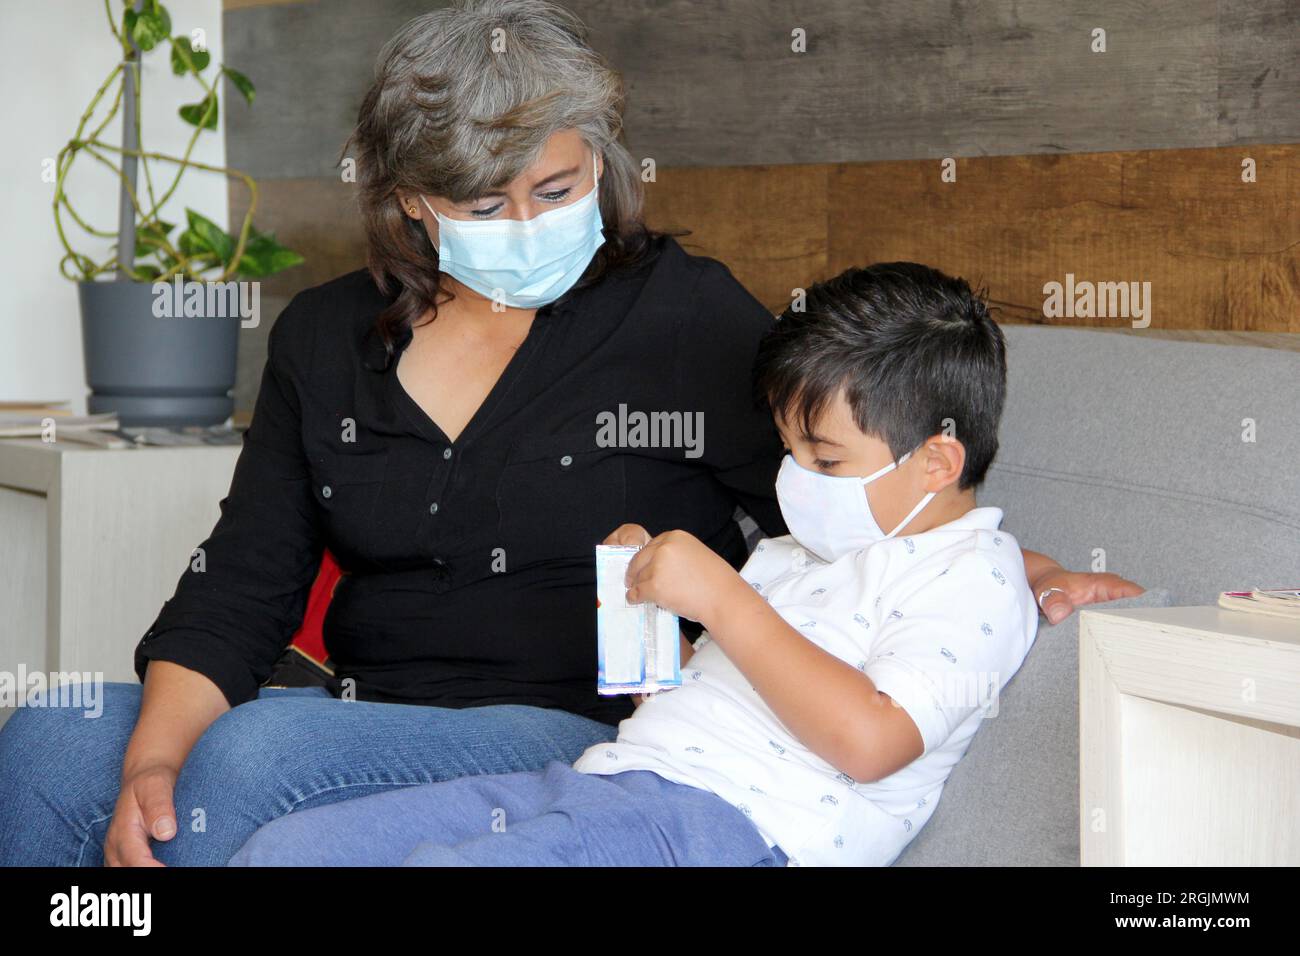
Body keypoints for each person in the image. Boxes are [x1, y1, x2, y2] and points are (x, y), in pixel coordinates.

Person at [0, 2, 1135, 868]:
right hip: (359, 707)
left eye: (556, 186)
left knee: (251, 758)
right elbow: (243, 579)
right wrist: (154, 753)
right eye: (484, 208)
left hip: (579, 729)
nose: (529, 227)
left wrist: (1028, 566)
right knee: (57, 738)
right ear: (406, 201)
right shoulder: (326, 337)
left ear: (600, 164)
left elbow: (835, 478)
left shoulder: (681, 315)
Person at [229, 263, 1063, 866]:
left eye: (827, 460)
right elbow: (700, 701)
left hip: (734, 832)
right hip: (615, 779)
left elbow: (873, 741)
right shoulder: (801, 552)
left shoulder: (974, 580)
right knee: (293, 851)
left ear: (937, 462)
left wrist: (727, 600)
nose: (792, 481)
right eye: (787, 452)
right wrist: (648, 629)